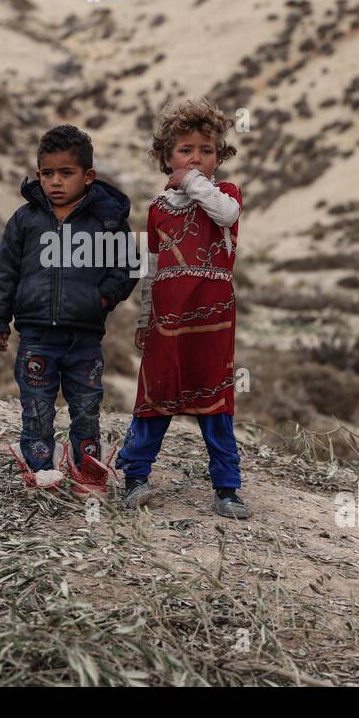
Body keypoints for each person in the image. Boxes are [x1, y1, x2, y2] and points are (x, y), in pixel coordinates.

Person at [0, 125, 137, 494]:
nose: (55, 182)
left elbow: (128, 265)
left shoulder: (106, 219)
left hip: (84, 337)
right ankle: (39, 467)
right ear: (38, 174)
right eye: (47, 173)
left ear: (88, 176)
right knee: (37, 406)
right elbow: (5, 270)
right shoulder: (25, 220)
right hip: (36, 334)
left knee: (86, 405)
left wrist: (103, 298)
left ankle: (86, 467)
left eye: (66, 173)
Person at [116, 97, 250, 519]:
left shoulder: (225, 195)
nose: (196, 158)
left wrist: (192, 181)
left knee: (216, 402)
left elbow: (226, 215)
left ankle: (226, 489)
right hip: (167, 323)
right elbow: (153, 266)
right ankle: (135, 478)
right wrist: (144, 316)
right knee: (155, 396)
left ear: (219, 157)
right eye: (186, 150)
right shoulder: (158, 210)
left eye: (206, 151)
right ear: (165, 156)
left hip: (213, 322)